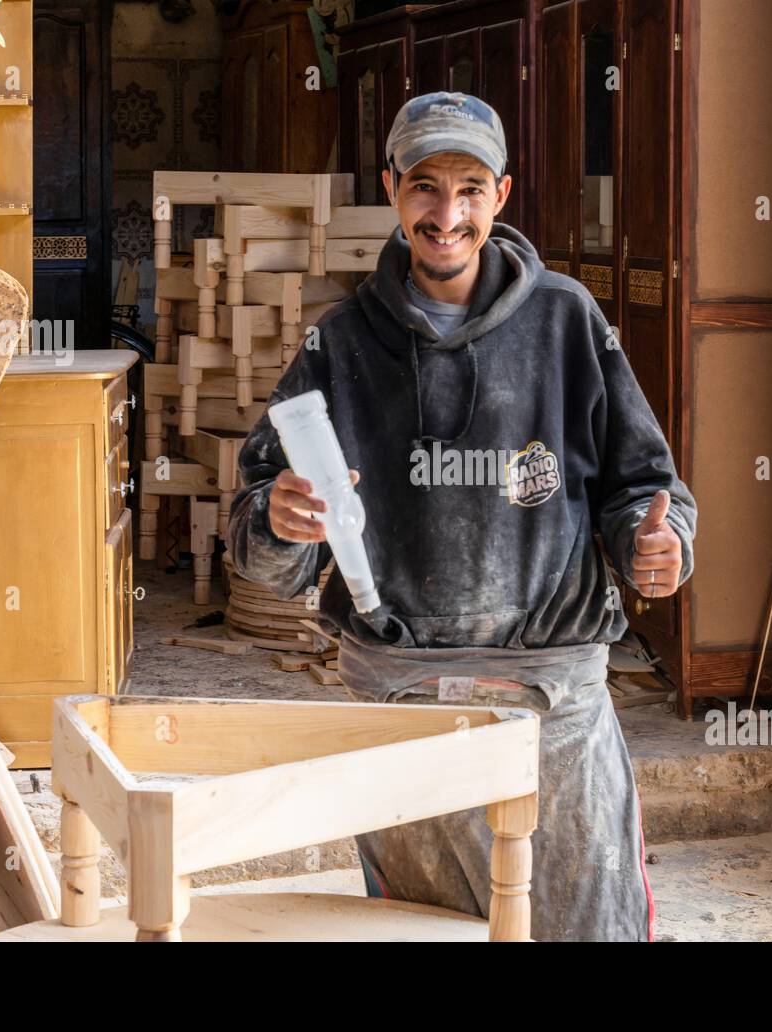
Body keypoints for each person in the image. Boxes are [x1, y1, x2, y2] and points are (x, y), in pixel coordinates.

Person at [227, 91, 697, 941]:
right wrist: (277, 521)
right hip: (402, 696)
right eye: (426, 186)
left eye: (472, 188)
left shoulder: (566, 322)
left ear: (502, 195)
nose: (448, 215)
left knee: (583, 923)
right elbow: (261, 546)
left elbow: (645, 488)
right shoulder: (339, 344)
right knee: (425, 930)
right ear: (392, 187)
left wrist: (655, 544)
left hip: (552, 695)